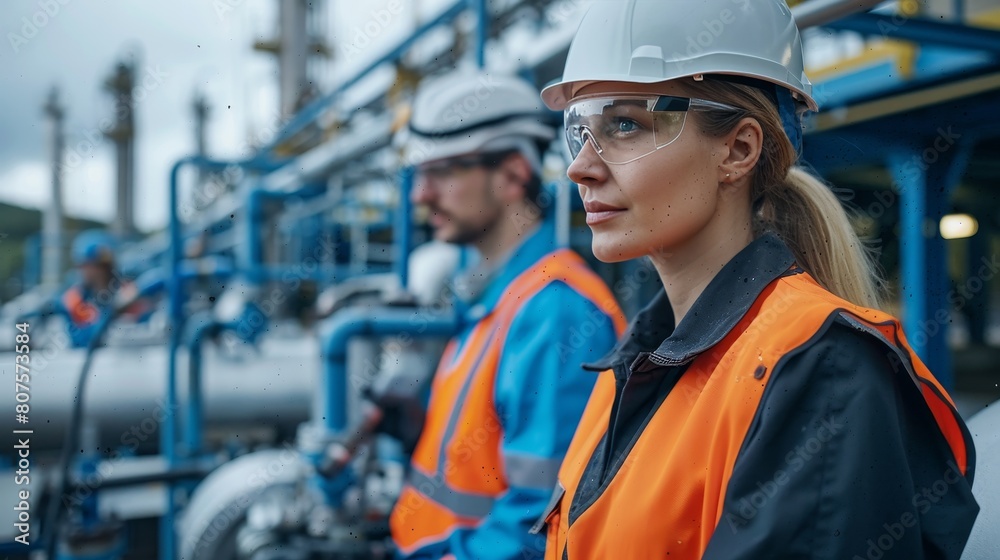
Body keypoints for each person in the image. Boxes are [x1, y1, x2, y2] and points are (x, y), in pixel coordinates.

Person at [532, 1, 980, 558]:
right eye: (579, 129)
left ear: (738, 149)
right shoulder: (632, 368)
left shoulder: (821, 370)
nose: (580, 166)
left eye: (625, 124)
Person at [388, 69, 626, 559]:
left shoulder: (554, 313)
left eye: (441, 173)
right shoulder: (498, 297)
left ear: (514, 174)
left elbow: (537, 523)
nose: (420, 195)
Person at [59, 230, 149, 347]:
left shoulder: (129, 292)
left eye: (100, 266)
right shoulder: (74, 299)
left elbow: (142, 326)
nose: (86, 271)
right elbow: (77, 338)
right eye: (84, 266)